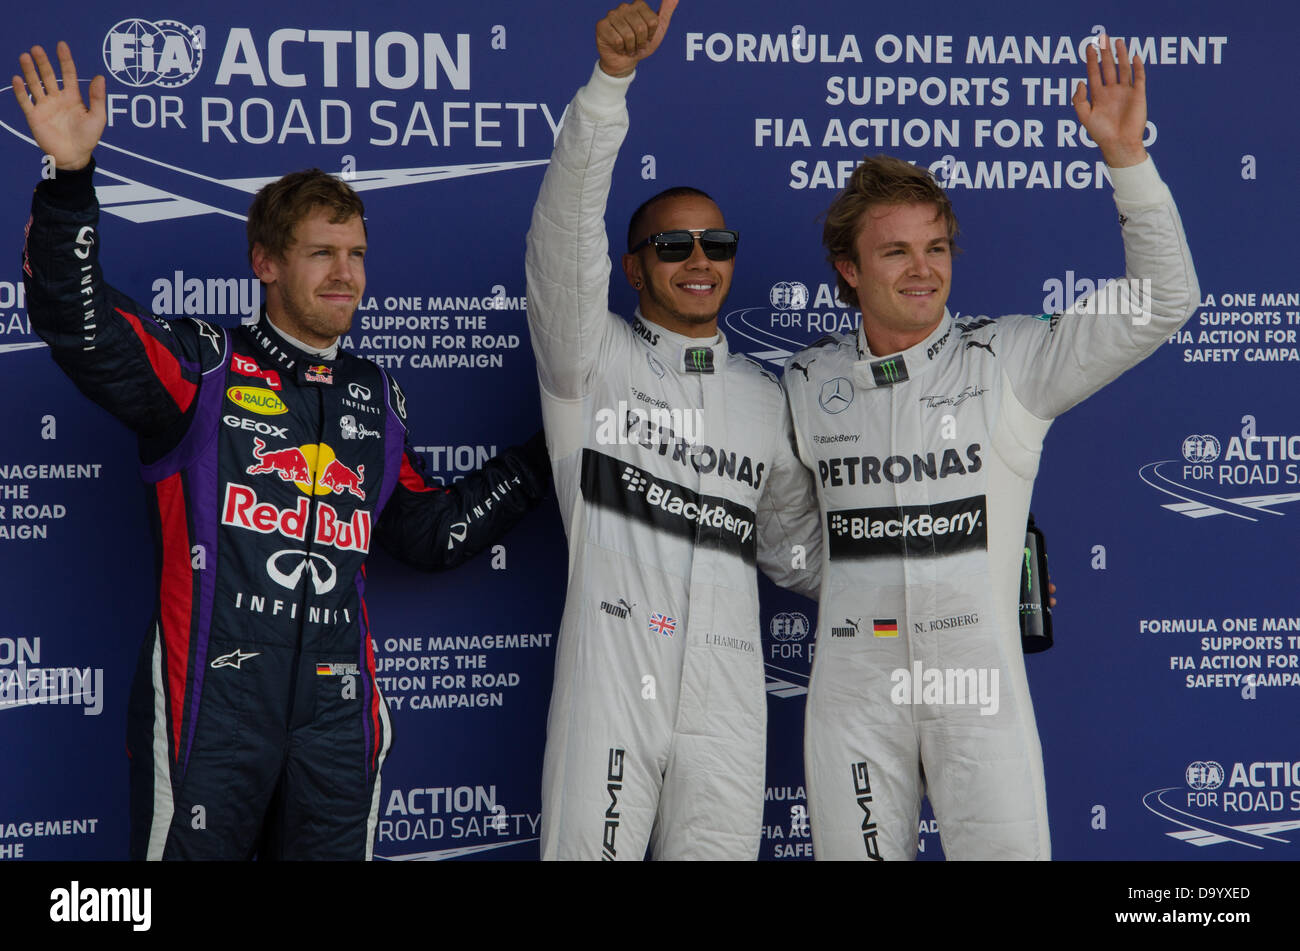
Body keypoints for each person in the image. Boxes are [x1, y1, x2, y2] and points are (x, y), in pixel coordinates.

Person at [14, 42, 550, 860]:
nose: (347, 275)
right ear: (265, 262)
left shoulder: (376, 394)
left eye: (357, 253)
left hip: (337, 718)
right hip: (208, 711)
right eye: (322, 253)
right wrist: (70, 180)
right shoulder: (203, 369)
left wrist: (555, 454)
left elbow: (428, 532)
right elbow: (78, 324)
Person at [784, 37, 1199, 860]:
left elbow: (1165, 301)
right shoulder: (803, 380)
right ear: (848, 269)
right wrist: (860, 589)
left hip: (980, 692)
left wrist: (1126, 159)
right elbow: (781, 532)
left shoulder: (1009, 356)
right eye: (895, 251)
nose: (922, 270)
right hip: (854, 694)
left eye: (935, 248)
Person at [525, 0, 819, 860]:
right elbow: (561, 243)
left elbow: (802, 553)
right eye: (674, 245)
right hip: (613, 682)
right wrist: (608, 89)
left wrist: (969, 586)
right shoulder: (592, 360)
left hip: (729, 695)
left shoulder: (766, 400)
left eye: (715, 243)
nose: (699, 260)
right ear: (633, 267)